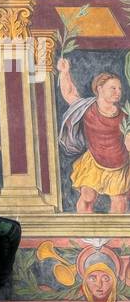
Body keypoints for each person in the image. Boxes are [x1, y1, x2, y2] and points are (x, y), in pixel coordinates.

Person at [58, 59, 130, 213]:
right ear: (100, 89)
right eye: (113, 88)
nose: (118, 92)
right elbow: (70, 93)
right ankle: (85, 233)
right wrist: (64, 72)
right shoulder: (87, 109)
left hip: (119, 166)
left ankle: (114, 235)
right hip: (94, 161)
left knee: (119, 200)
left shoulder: (125, 116)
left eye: (119, 88)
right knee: (87, 196)